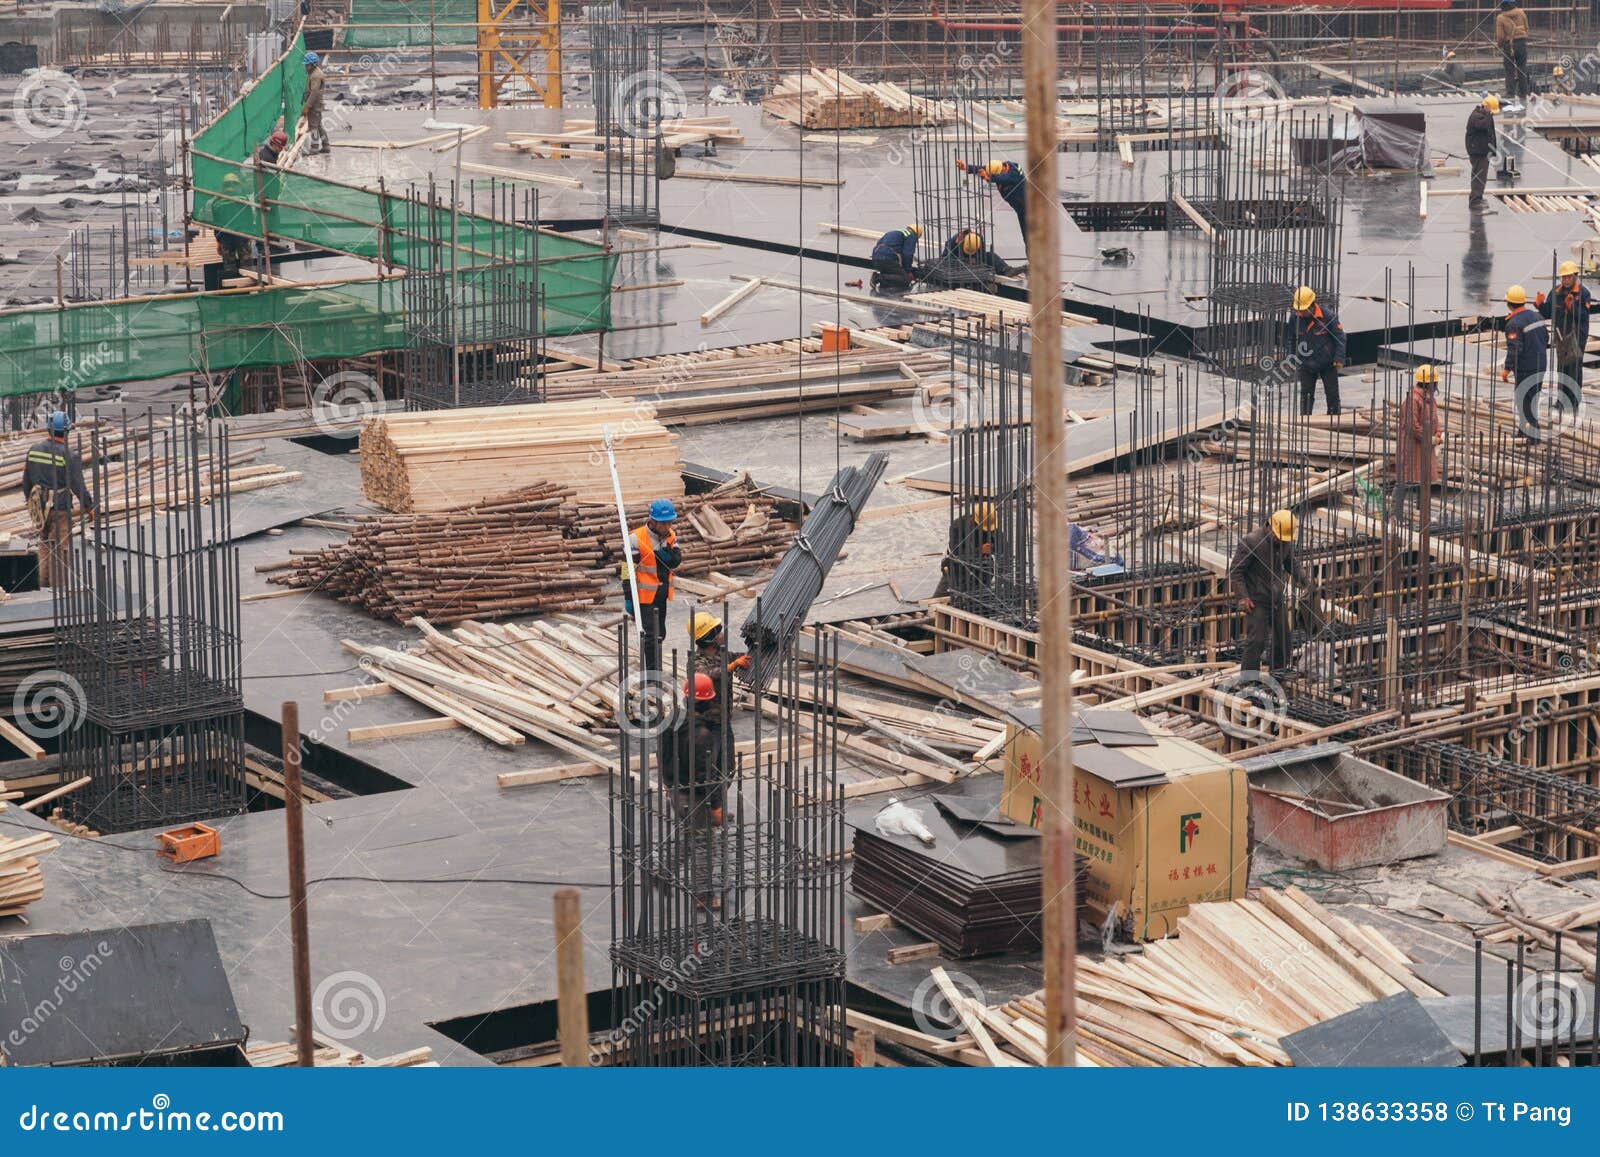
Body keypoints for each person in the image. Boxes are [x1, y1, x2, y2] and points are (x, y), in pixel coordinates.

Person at [1227, 509, 1308, 674]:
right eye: (1279, 536)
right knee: (1256, 641)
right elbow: (1235, 572)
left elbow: (1291, 563)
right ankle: (1249, 678)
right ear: (1271, 527)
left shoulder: (1284, 542)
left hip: (1277, 598)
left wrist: (1305, 580)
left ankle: (1278, 673)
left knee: (1283, 638)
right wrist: (1243, 597)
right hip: (1257, 601)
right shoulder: (1250, 542)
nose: (1281, 540)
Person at [23, 412, 96, 588]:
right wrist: (89, 506)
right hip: (60, 507)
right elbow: (78, 485)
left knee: (44, 544)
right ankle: (59, 589)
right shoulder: (70, 455)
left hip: (40, 506)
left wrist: (31, 503)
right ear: (67, 431)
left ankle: (42, 584)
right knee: (60, 548)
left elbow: (26, 480)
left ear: (49, 429)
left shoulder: (34, 449)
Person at [657, 671, 731, 829]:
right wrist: (716, 807)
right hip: (694, 800)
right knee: (703, 844)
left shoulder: (672, 719)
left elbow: (662, 755)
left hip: (676, 792)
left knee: (690, 838)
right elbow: (706, 776)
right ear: (706, 702)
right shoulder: (702, 735)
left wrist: (668, 783)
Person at [623, 498, 681, 673]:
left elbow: (677, 560)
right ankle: (652, 672)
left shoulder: (670, 535)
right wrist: (628, 598)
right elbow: (627, 571)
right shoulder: (635, 538)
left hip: (661, 594)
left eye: (670, 522)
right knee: (650, 635)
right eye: (663, 523)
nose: (667, 526)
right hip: (644, 596)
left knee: (660, 633)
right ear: (652, 520)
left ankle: (654, 665)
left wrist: (668, 556)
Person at [1286, 286, 1346, 417]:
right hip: (1306, 364)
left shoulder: (1327, 317)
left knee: (1332, 397)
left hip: (1327, 364)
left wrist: (1339, 358)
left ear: (1312, 306)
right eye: (1298, 310)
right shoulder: (1294, 319)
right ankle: (1304, 423)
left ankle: (1334, 422)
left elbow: (1340, 338)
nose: (1300, 313)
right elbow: (1290, 339)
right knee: (1306, 397)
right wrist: (1290, 358)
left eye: (1302, 310)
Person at [1394, 365, 1443, 523]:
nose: (1436, 386)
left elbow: (1435, 419)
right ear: (1427, 383)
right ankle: (1396, 516)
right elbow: (1412, 426)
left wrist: (1438, 433)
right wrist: (1429, 438)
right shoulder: (1412, 400)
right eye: (1434, 383)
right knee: (1405, 480)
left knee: (1425, 480)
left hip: (1425, 447)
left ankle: (1423, 515)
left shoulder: (1430, 399)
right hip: (1411, 447)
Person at [1538, 260, 1591, 389]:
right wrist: (1540, 306)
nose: (1566, 280)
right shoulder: (1555, 292)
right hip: (1560, 335)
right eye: (1564, 277)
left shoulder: (1583, 293)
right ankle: (1561, 399)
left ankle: (1574, 400)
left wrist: (1572, 306)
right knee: (1561, 367)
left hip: (1577, 336)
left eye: (1568, 277)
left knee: (1574, 368)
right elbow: (1548, 314)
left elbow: (1584, 316)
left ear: (1575, 276)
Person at [935, 502, 1000, 599]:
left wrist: (993, 548)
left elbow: (1001, 545)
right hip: (957, 566)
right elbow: (957, 553)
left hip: (982, 566)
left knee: (981, 596)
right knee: (941, 597)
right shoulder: (958, 526)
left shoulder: (991, 523)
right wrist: (980, 550)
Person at [957, 158, 1027, 238]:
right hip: (1020, 209)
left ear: (1001, 171)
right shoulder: (1001, 167)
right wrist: (966, 167)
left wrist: (988, 178)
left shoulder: (1014, 173)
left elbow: (1004, 178)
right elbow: (982, 169)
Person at [1502, 283, 1550, 396]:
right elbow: (1546, 338)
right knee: (1533, 401)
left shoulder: (1513, 324)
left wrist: (1507, 369)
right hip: (1541, 365)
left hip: (1525, 370)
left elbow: (1514, 349)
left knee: (1524, 404)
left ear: (1509, 304)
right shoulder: (1537, 316)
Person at [689, 611, 750, 677]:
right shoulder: (695, 661)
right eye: (718, 632)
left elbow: (740, 657)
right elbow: (705, 674)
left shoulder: (720, 653)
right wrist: (731, 667)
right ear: (709, 638)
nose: (722, 635)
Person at [1466, 95, 1498, 209]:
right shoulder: (1477, 117)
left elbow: (1490, 133)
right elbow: (1483, 125)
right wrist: (1489, 113)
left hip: (1483, 151)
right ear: (1486, 107)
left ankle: (1477, 198)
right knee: (1479, 177)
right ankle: (1475, 201)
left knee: (1481, 177)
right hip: (1478, 152)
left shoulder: (1484, 115)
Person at [870, 223, 922, 293]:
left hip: (876, 259)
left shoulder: (895, 232)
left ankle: (882, 279)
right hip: (888, 259)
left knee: (893, 276)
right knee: (905, 280)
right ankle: (878, 278)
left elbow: (879, 244)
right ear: (917, 234)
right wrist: (908, 271)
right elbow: (907, 254)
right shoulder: (911, 236)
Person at [1495, 0, 1531, 98]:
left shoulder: (1500, 17)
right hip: (1521, 43)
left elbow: (1500, 36)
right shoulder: (1521, 12)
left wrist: (1500, 45)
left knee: (1509, 69)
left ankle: (1510, 93)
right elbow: (1527, 28)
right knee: (1522, 67)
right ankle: (1523, 92)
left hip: (1509, 46)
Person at [301, 51, 328, 154]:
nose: (306, 67)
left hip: (315, 105)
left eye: (307, 65)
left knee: (313, 126)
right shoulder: (313, 73)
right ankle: (326, 145)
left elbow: (314, 93)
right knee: (319, 126)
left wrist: (307, 106)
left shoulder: (316, 75)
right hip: (316, 104)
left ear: (313, 64)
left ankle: (315, 147)